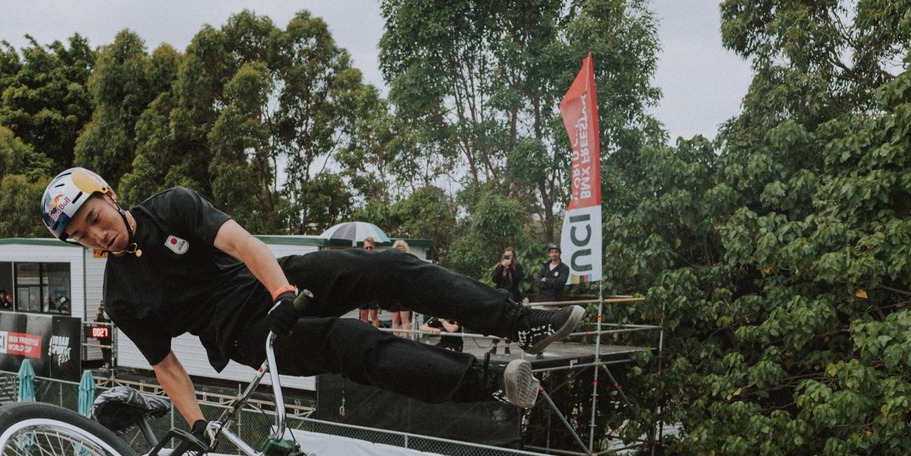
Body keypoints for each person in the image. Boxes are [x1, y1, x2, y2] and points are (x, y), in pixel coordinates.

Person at [41, 170, 583, 427]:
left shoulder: (172, 207)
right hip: (242, 334)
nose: (97, 235)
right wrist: (200, 425)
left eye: (94, 219)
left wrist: (281, 290)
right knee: (353, 343)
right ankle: (494, 383)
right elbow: (166, 367)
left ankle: (521, 323)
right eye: (83, 236)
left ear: (108, 196)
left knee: (386, 267)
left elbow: (244, 244)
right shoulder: (122, 297)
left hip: (271, 281)